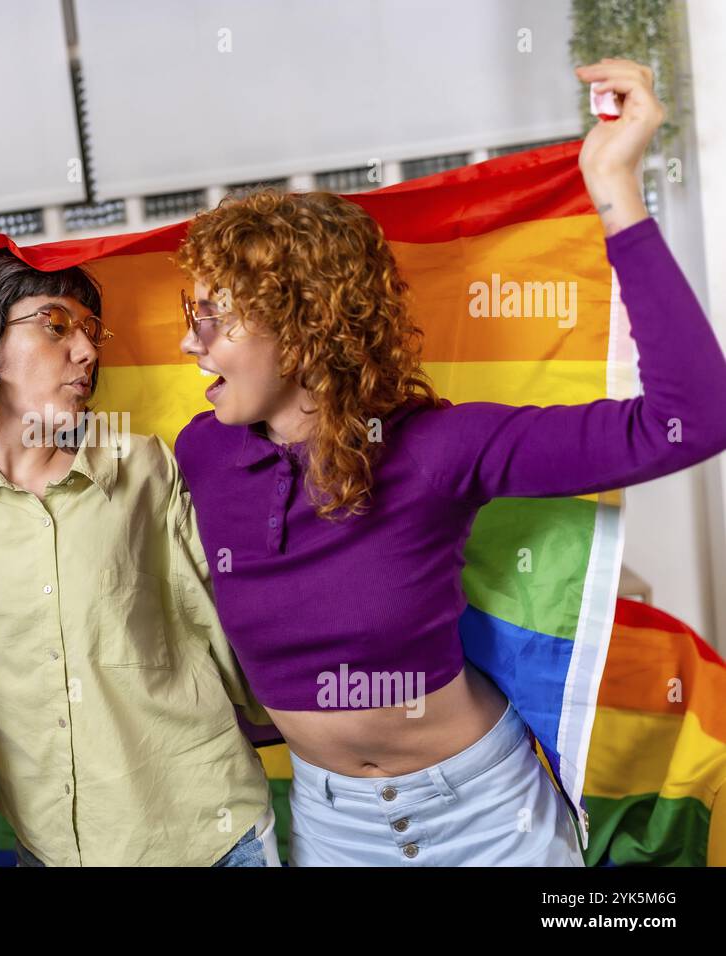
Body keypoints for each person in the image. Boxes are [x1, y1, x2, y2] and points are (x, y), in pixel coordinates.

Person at [171, 59, 726, 865]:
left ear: (299, 329)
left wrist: (614, 184)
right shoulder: (202, 451)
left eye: (214, 319)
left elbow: (692, 420)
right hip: (333, 830)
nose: (190, 343)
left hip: (488, 820)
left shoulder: (440, 448)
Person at [0, 249, 278, 866]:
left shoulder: (144, 466)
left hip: (211, 838)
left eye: (90, 332)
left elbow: (230, 624)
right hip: (48, 851)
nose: (86, 352)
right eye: (55, 326)